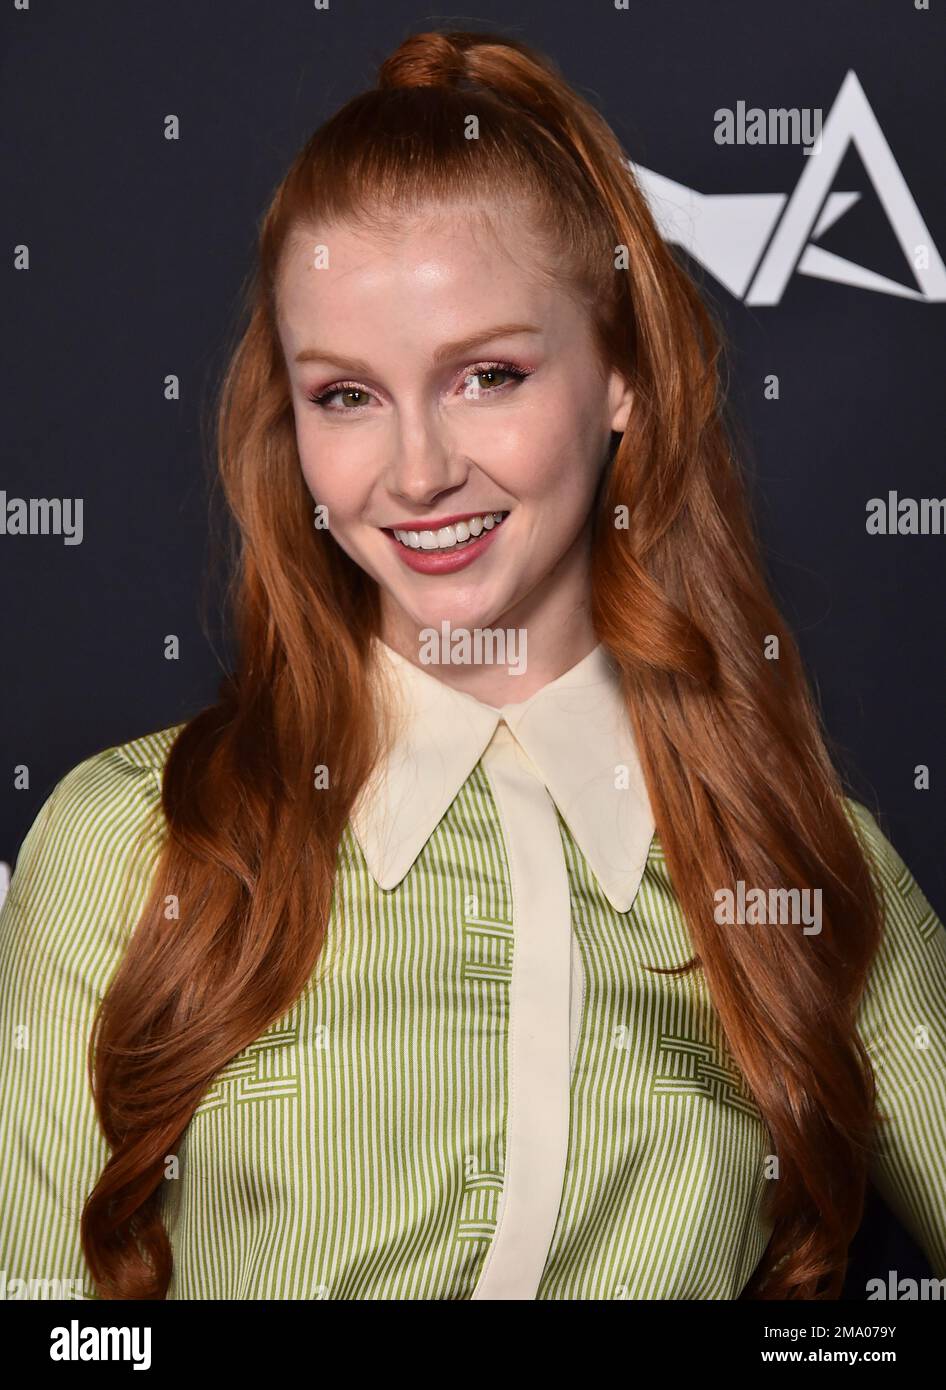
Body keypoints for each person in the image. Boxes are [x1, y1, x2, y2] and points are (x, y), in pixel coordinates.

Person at [1, 27, 944, 1302]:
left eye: (487, 374)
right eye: (345, 395)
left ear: (619, 374)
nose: (419, 471)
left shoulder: (798, 862)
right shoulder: (130, 838)